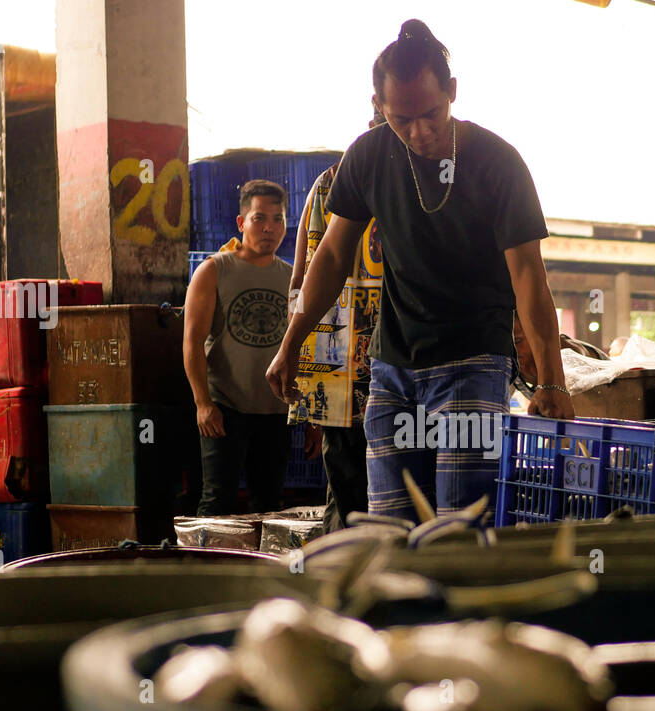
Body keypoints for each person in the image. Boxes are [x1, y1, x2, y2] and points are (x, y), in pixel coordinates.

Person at [266, 19, 574, 522]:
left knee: (458, 527)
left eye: (430, 114)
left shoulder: (498, 163)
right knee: (390, 529)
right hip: (393, 369)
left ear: (452, 92)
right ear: (379, 106)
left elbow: (528, 277)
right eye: (400, 119)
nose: (419, 132)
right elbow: (333, 255)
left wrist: (552, 382)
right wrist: (291, 342)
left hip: (472, 364)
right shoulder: (366, 157)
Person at [287, 108, 387, 534]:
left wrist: (296, 354)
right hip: (387, 365)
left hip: (334, 369)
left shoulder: (324, 183)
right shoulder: (408, 179)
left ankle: (339, 577)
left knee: (345, 491)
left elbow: (299, 278)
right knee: (389, 492)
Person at [183, 179, 293, 515]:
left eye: (278, 219)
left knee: (270, 506)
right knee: (217, 502)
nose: (270, 228)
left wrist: (312, 417)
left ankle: (263, 569)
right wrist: (203, 403)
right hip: (225, 409)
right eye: (260, 218)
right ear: (241, 222)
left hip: (276, 413)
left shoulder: (292, 277)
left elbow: (306, 349)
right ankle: (208, 566)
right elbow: (191, 342)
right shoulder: (214, 270)